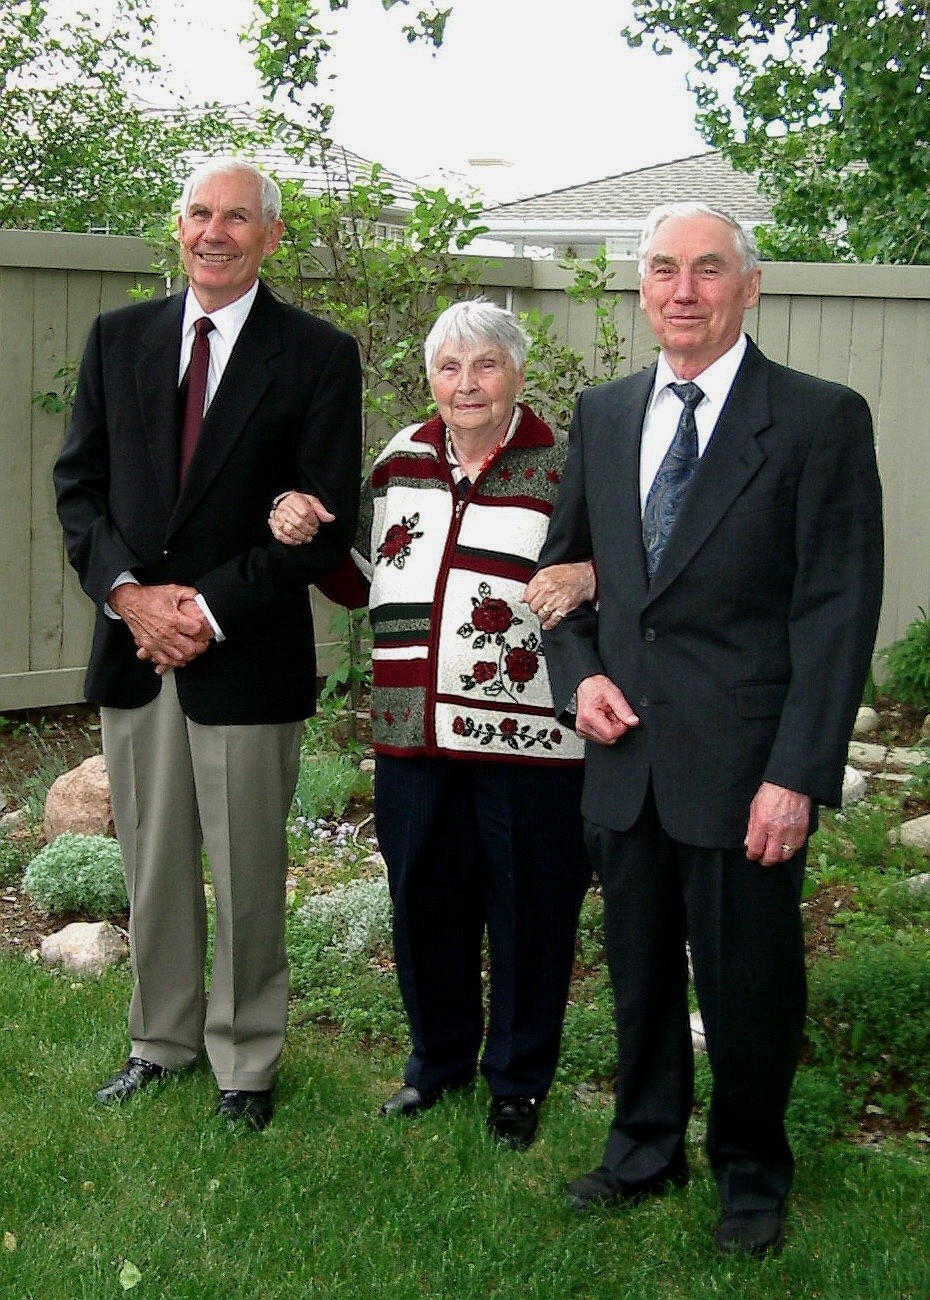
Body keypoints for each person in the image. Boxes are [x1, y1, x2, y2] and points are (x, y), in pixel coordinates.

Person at [536, 203, 883, 1254]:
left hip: (745, 769)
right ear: (641, 288)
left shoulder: (819, 419)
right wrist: (579, 678)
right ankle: (643, 1149)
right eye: (662, 271)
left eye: (707, 270)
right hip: (626, 756)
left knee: (749, 986)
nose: (683, 290)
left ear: (750, 285)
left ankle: (749, 1174)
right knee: (638, 975)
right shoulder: (602, 413)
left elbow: (836, 610)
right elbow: (564, 580)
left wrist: (797, 774)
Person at [54, 158, 362, 1131]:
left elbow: (321, 514)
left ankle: (246, 1060)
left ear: (270, 236)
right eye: (198, 213)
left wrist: (207, 610)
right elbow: (80, 490)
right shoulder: (119, 340)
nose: (214, 232)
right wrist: (133, 598)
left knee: (246, 867)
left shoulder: (316, 354)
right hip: (135, 653)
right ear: (177, 228)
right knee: (152, 858)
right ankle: (162, 1040)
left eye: (236, 217)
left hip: (247, 651)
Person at [270, 299, 594, 1149]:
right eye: (449, 368)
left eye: (485, 365)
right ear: (429, 379)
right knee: (424, 904)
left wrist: (589, 571)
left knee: (530, 913)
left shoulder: (563, 466)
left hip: (531, 743)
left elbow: (618, 569)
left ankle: (518, 1087)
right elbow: (365, 582)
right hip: (411, 733)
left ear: (517, 374)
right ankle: (437, 1065)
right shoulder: (398, 461)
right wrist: (306, 538)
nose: (466, 384)